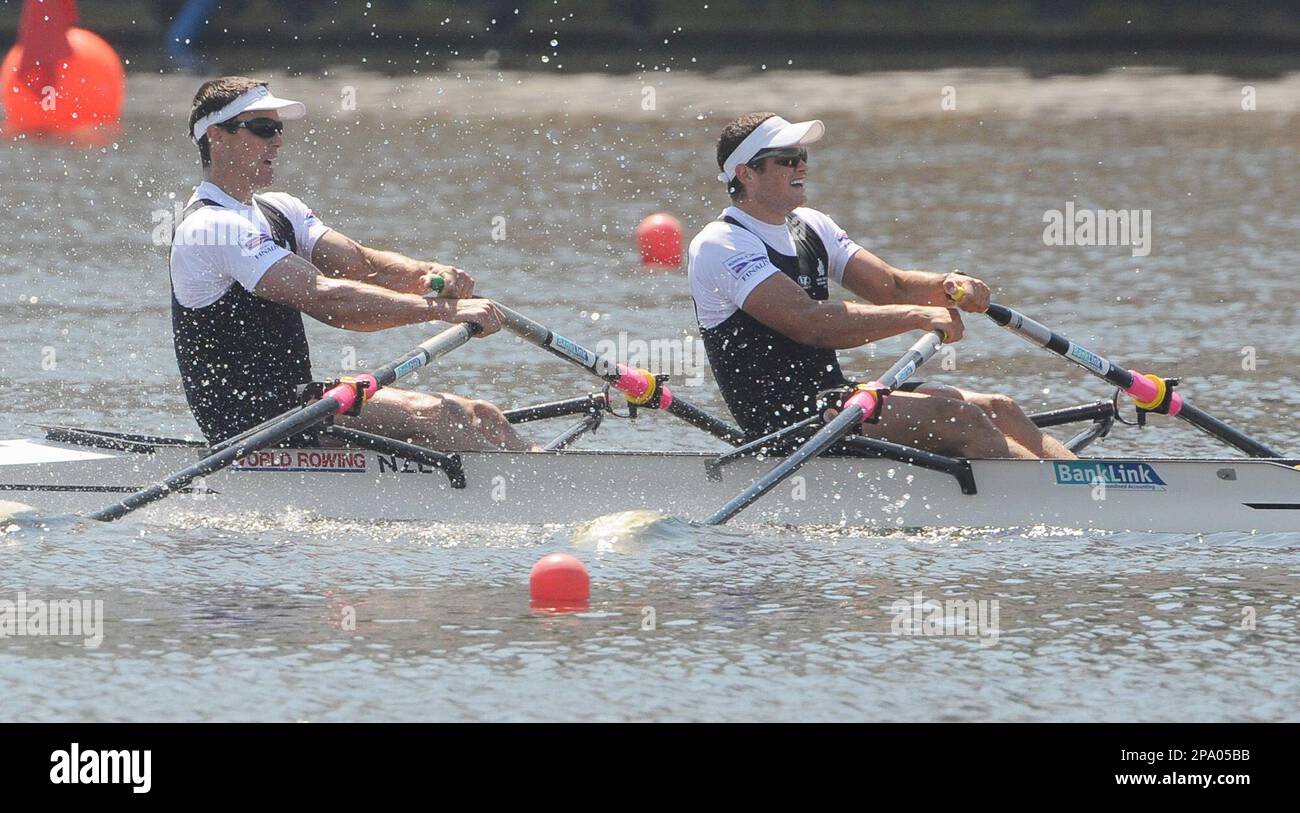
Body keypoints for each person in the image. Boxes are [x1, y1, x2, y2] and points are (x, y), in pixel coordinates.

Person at [687, 112, 1075, 460]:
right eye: (787, 159)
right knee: (958, 418)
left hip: (834, 397)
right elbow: (810, 322)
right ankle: (1055, 502)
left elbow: (892, 286)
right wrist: (917, 316)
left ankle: (1090, 486)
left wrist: (948, 285)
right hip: (786, 419)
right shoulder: (721, 244)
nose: (801, 166)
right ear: (746, 173)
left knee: (998, 407)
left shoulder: (811, 225)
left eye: (802, 156)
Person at [171, 76, 531, 450]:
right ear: (216, 136)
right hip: (249, 423)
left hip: (298, 400)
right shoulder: (210, 227)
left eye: (278, 129)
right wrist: (443, 310)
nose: (278, 141)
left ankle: (542, 484)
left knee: (481, 414)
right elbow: (327, 298)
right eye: (263, 129)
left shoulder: (281, 209)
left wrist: (427, 273)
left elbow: (362, 266)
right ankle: (529, 502)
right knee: (440, 417)